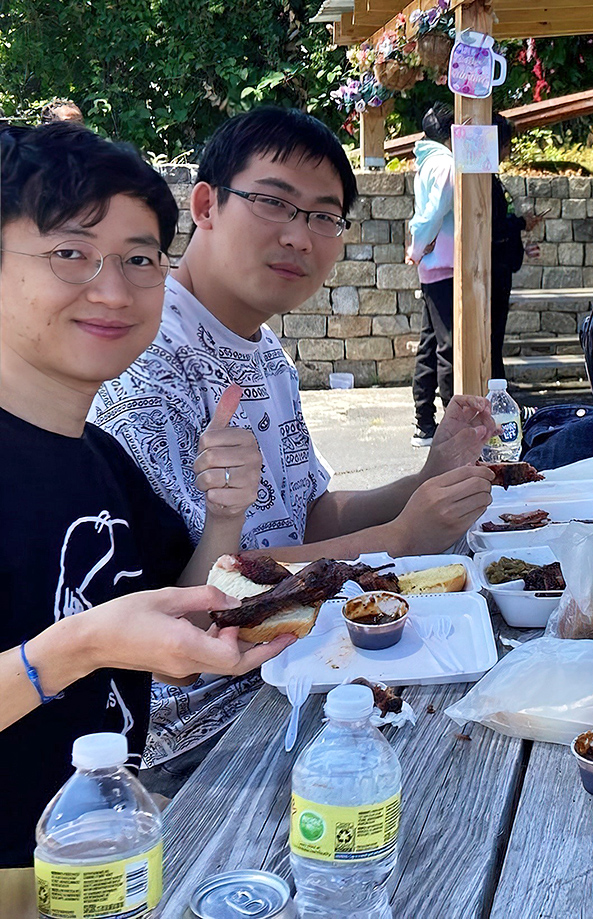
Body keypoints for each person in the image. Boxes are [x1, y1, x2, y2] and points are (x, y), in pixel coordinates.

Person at [91, 105, 496, 776]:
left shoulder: (264, 350)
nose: (301, 237)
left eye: (324, 217)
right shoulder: (144, 363)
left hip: (301, 662)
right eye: (275, 203)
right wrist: (397, 540)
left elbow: (310, 513)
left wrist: (428, 475)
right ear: (206, 205)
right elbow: (208, 592)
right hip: (205, 729)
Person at [0, 122, 293, 868]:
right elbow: (104, 639)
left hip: (103, 863)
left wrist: (227, 512)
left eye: (139, 259)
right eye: (70, 253)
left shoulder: (102, 461)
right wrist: (83, 644)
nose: (113, 289)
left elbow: (173, 647)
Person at [406, 102, 456, 447]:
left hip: (432, 262)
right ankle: (451, 424)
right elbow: (434, 212)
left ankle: (424, 421)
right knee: (449, 344)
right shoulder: (446, 163)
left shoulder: (425, 162)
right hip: (443, 259)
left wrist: (417, 247)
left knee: (429, 342)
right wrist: (418, 245)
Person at [490, 113, 542, 378]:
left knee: (495, 337)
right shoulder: (484, 181)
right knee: (492, 338)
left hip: (501, 266)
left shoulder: (491, 179)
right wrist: (520, 223)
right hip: (493, 269)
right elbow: (491, 226)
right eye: (506, 144)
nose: (508, 151)